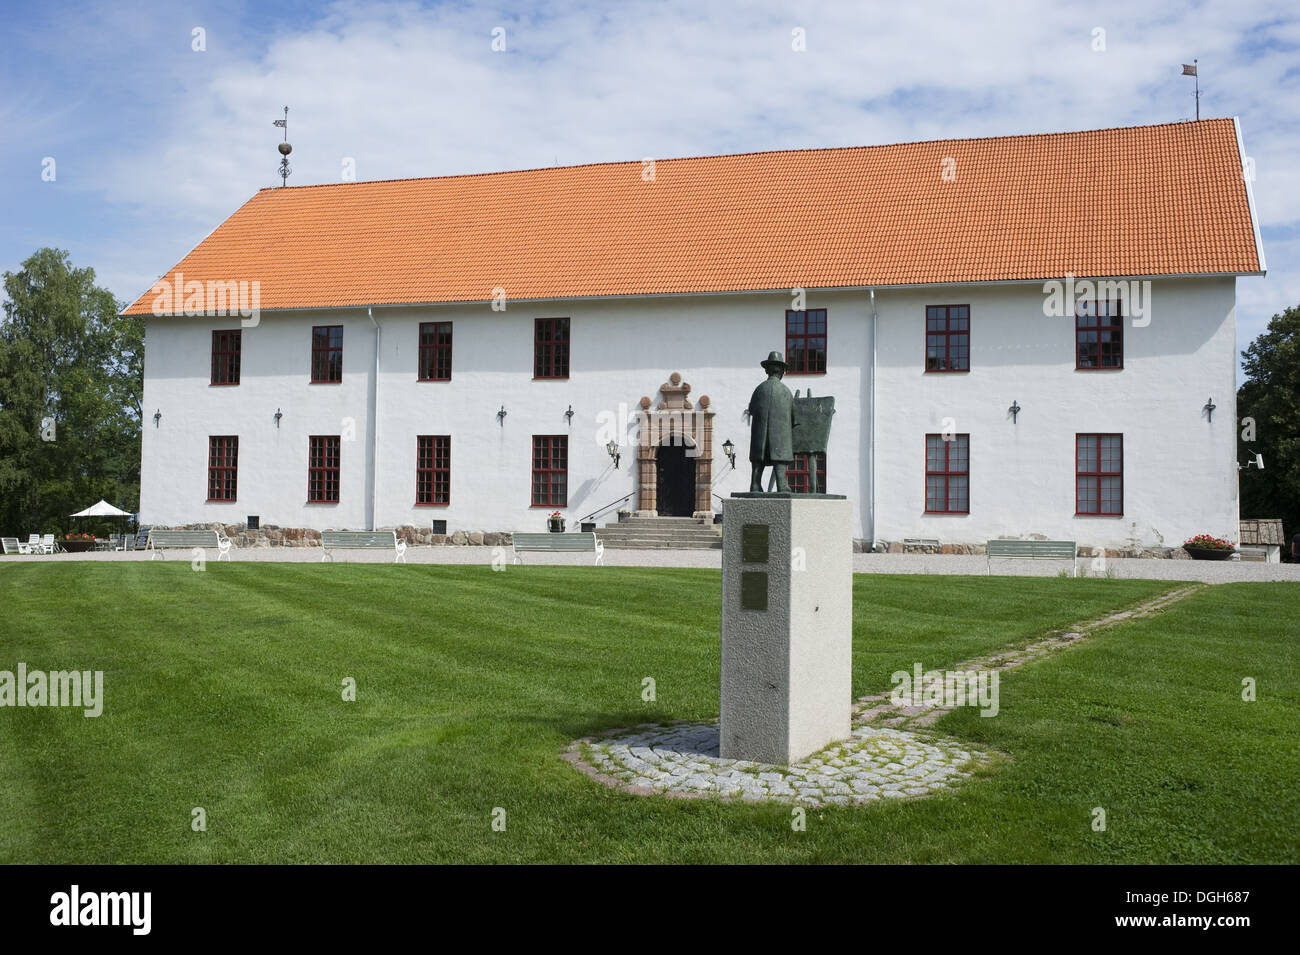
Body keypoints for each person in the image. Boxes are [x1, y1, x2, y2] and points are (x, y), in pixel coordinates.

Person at [747, 351, 794, 493]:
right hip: (780, 433)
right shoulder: (786, 391)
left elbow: (752, 409)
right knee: (780, 456)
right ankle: (781, 484)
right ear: (782, 372)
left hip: (759, 433)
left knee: (758, 458)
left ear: (767, 370)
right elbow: (793, 415)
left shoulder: (759, 389)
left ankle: (755, 484)